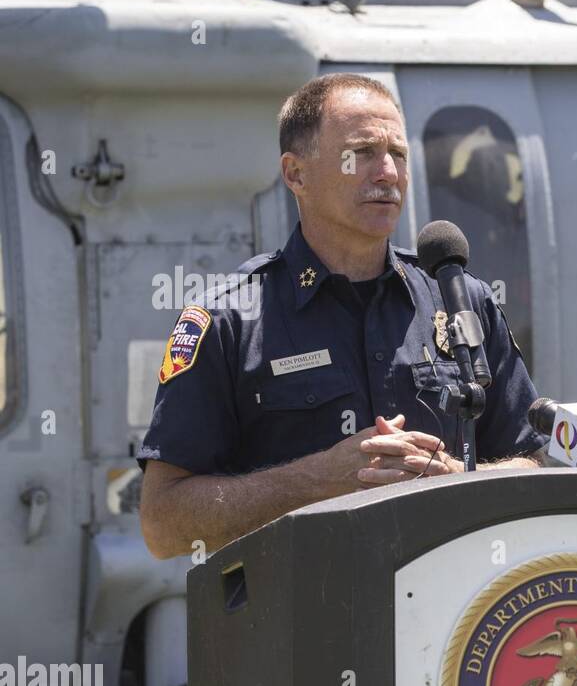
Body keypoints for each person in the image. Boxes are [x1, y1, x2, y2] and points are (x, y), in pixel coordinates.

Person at [139, 73, 546, 560]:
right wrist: (315, 482)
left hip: (451, 620)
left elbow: (536, 465)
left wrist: (458, 480)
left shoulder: (460, 301)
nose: (388, 174)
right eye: (363, 153)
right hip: (295, 624)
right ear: (296, 174)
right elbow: (162, 526)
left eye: (397, 154)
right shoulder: (230, 321)